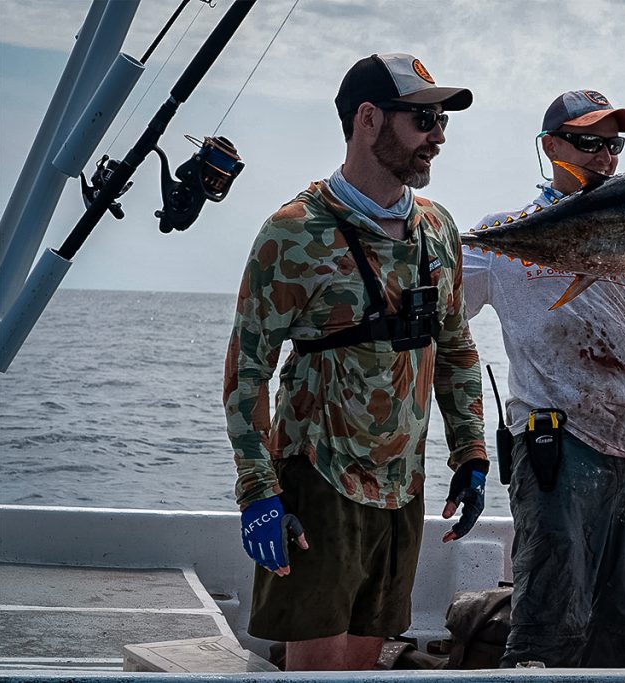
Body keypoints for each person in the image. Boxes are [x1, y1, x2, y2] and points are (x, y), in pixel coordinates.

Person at [223, 53, 489, 671]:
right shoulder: (292, 234)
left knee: (366, 660)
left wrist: (471, 455)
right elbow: (247, 373)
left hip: (403, 487)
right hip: (320, 480)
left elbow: (454, 345)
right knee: (318, 665)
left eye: (443, 120)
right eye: (424, 119)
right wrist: (258, 492)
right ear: (368, 119)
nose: (439, 136)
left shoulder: (437, 228)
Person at [462, 89, 625, 667]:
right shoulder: (504, 234)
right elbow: (442, 313)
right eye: (588, 143)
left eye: (614, 145)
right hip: (558, 448)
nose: (605, 157)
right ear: (550, 146)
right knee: (549, 624)